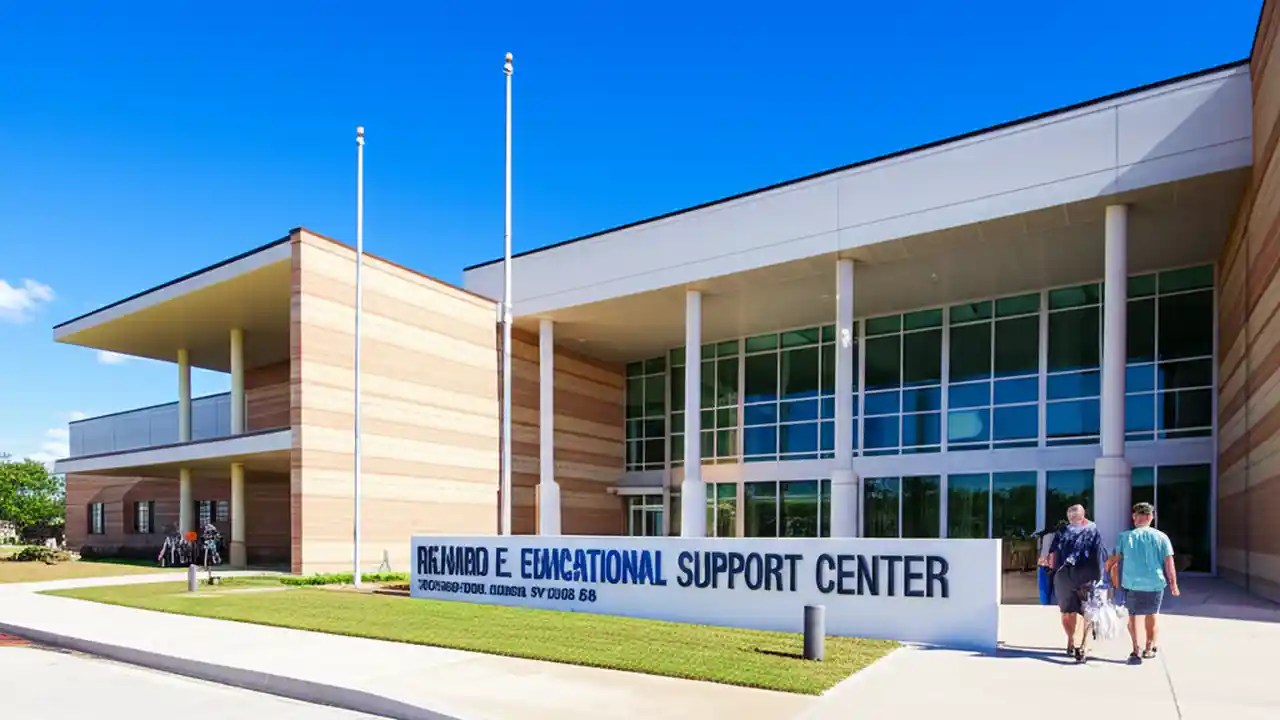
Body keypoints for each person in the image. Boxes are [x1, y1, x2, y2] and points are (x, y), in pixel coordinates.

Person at [1115, 502, 1180, 665]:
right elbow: (1169, 562)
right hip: (1155, 582)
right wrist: (1173, 584)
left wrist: (1112, 579)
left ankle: (1135, 650)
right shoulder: (1161, 537)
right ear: (1151, 517)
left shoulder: (1125, 537)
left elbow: (1116, 561)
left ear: (1135, 517)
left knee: (1133, 617)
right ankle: (1149, 647)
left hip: (1131, 583)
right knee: (1152, 615)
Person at [1048, 504, 1104, 662]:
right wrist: (1100, 577)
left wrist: (1052, 575)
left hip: (1064, 574)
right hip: (1086, 575)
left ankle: (1071, 642)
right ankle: (1083, 645)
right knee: (1088, 609)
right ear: (1083, 515)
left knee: (1067, 611)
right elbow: (1099, 554)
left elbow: (1052, 555)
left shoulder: (1063, 531)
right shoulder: (1093, 530)